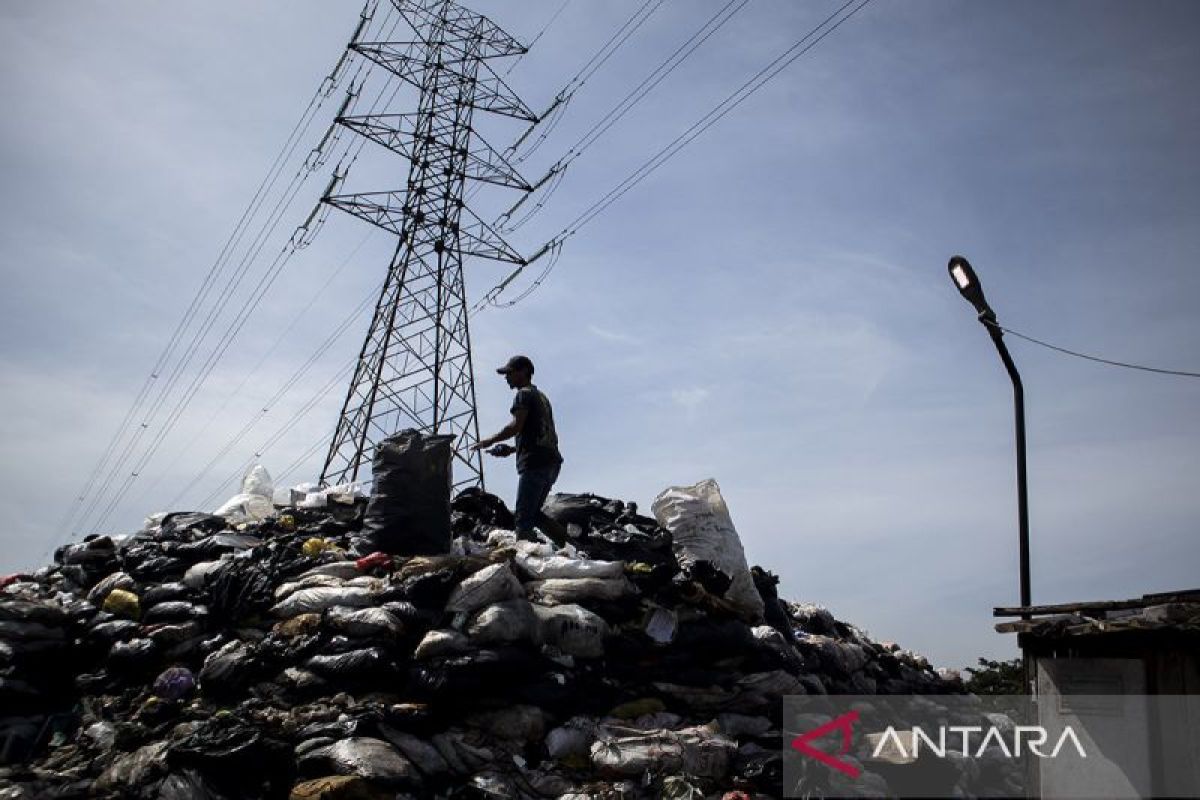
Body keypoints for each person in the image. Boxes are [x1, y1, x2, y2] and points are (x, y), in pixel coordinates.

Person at [472, 354, 565, 541]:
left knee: (523, 519)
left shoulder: (523, 394)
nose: (506, 377)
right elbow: (541, 434)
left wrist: (488, 440)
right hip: (551, 463)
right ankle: (570, 546)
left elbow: (515, 426)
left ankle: (527, 560)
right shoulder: (541, 397)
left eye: (510, 373)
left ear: (523, 372)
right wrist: (512, 450)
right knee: (534, 514)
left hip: (535, 464)